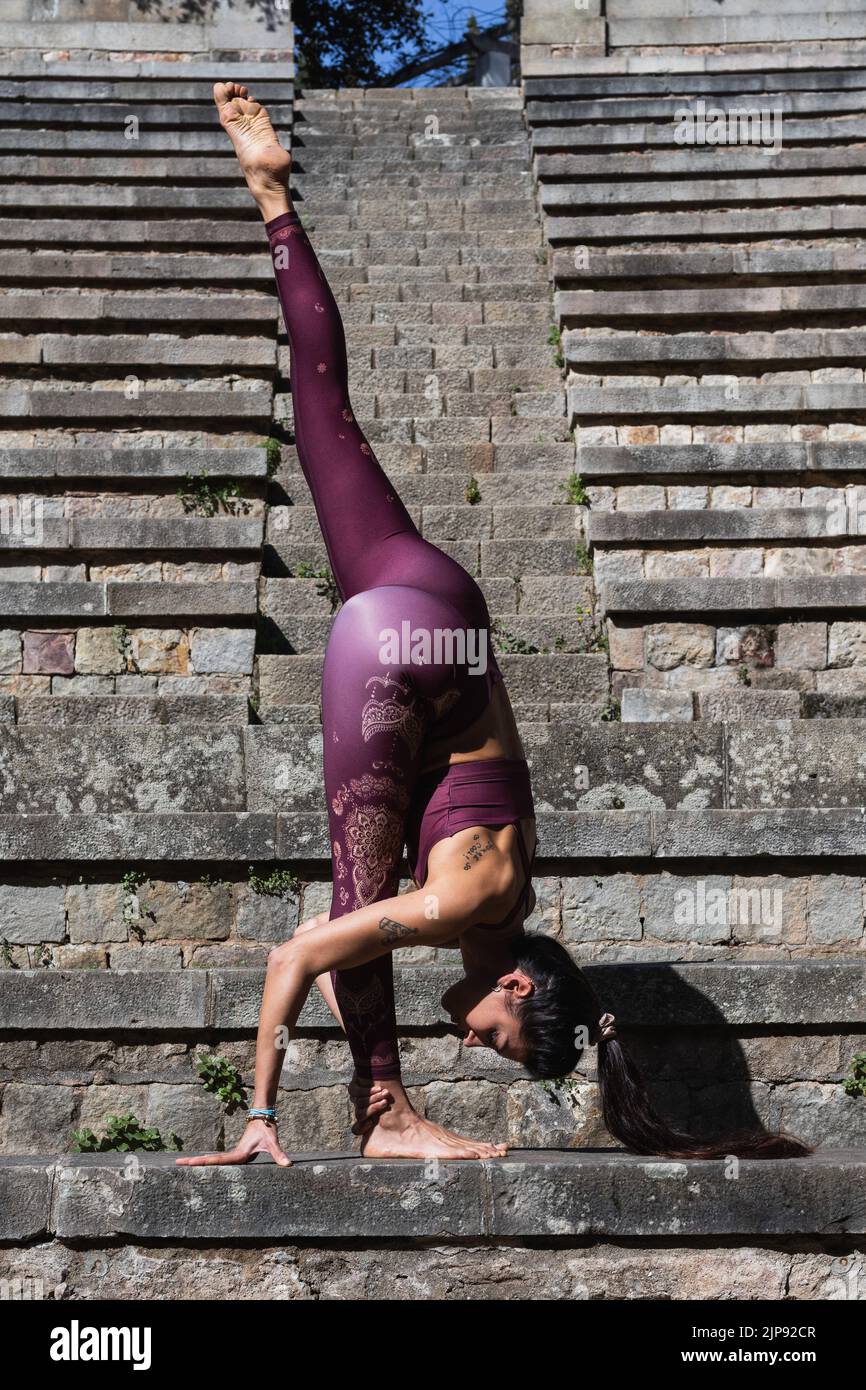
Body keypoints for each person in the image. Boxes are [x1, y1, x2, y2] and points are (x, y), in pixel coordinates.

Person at [176, 84, 814, 1168]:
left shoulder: (509, 882)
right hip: (399, 651)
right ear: (518, 984)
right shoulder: (471, 896)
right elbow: (298, 956)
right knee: (350, 897)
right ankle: (381, 1111)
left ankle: (271, 198)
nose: (475, 1040)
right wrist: (262, 1113)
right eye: (505, 1043)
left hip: (440, 603)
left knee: (326, 406)